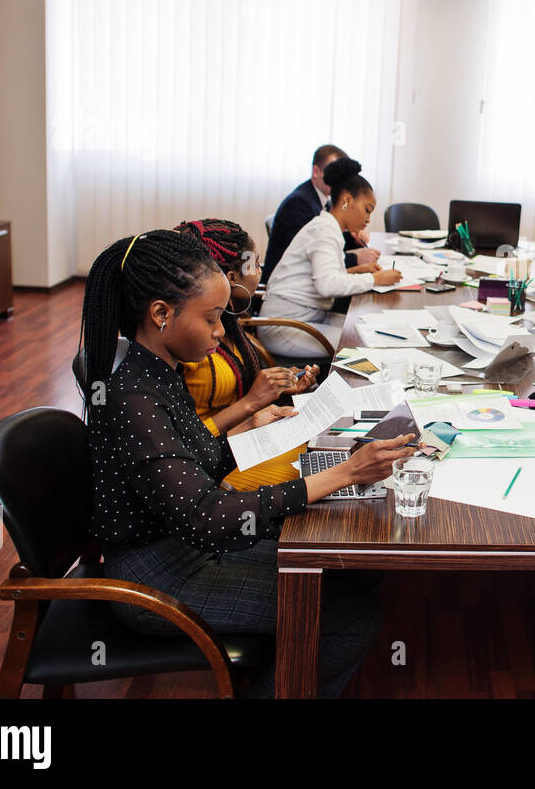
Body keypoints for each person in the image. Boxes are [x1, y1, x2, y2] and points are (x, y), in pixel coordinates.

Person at [80, 229, 416, 697]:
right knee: (352, 618)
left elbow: (201, 456)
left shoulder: (157, 371)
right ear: (161, 314)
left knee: (347, 566)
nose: (222, 331)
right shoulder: (135, 397)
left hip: (182, 546)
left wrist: (266, 425)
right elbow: (209, 518)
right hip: (158, 578)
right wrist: (342, 474)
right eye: (213, 318)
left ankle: (283, 676)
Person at [174, 218, 319, 490]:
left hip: (243, 442)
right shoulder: (192, 344)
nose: (260, 271)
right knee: (324, 465)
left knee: (329, 449)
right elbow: (186, 441)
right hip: (215, 465)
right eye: (256, 265)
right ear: (231, 278)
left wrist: (282, 389)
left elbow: (239, 396)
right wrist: (252, 403)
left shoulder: (229, 324)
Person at [258, 158, 401, 358]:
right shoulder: (325, 230)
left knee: (369, 327)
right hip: (284, 327)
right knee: (362, 343)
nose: (368, 219)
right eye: (367, 210)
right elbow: (327, 285)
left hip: (306, 318)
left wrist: (355, 271)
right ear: (346, 201)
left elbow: (320, 276)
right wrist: (375, 279)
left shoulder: (327, 227)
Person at [260, 144, 378, 287]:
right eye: (334, 171)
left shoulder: (322, 201)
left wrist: (354, 239)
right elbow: (315, 254)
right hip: (288, 286)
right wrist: (356, 258)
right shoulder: (299, 203)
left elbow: (325, 243)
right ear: (316, 171)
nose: (342, 181)